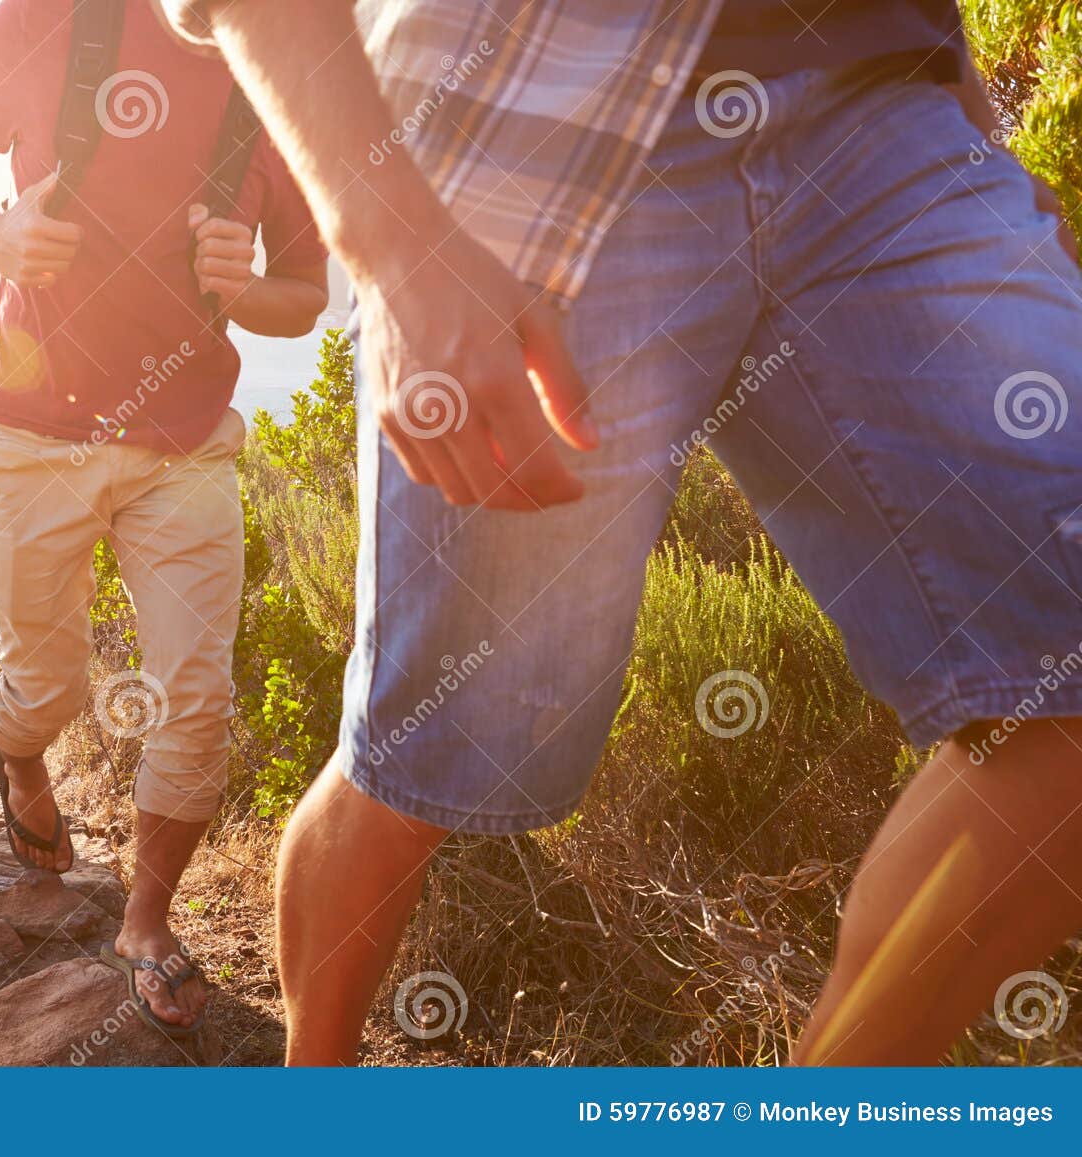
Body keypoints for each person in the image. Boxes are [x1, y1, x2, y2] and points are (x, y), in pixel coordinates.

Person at [158, 0, 1082, 1064]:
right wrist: (397, 251)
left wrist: (972, 133)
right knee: (423, 746)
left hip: (883, 121)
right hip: (528, 136)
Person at [0, 0, 328, 1036]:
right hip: (23, 435)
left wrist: (245, 287)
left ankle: (145, 921)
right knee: (45, 680)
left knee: (196, 692)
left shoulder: (282, 64)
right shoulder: (47, 18)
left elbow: (306, 293)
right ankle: (19, 755)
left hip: (183, 443)